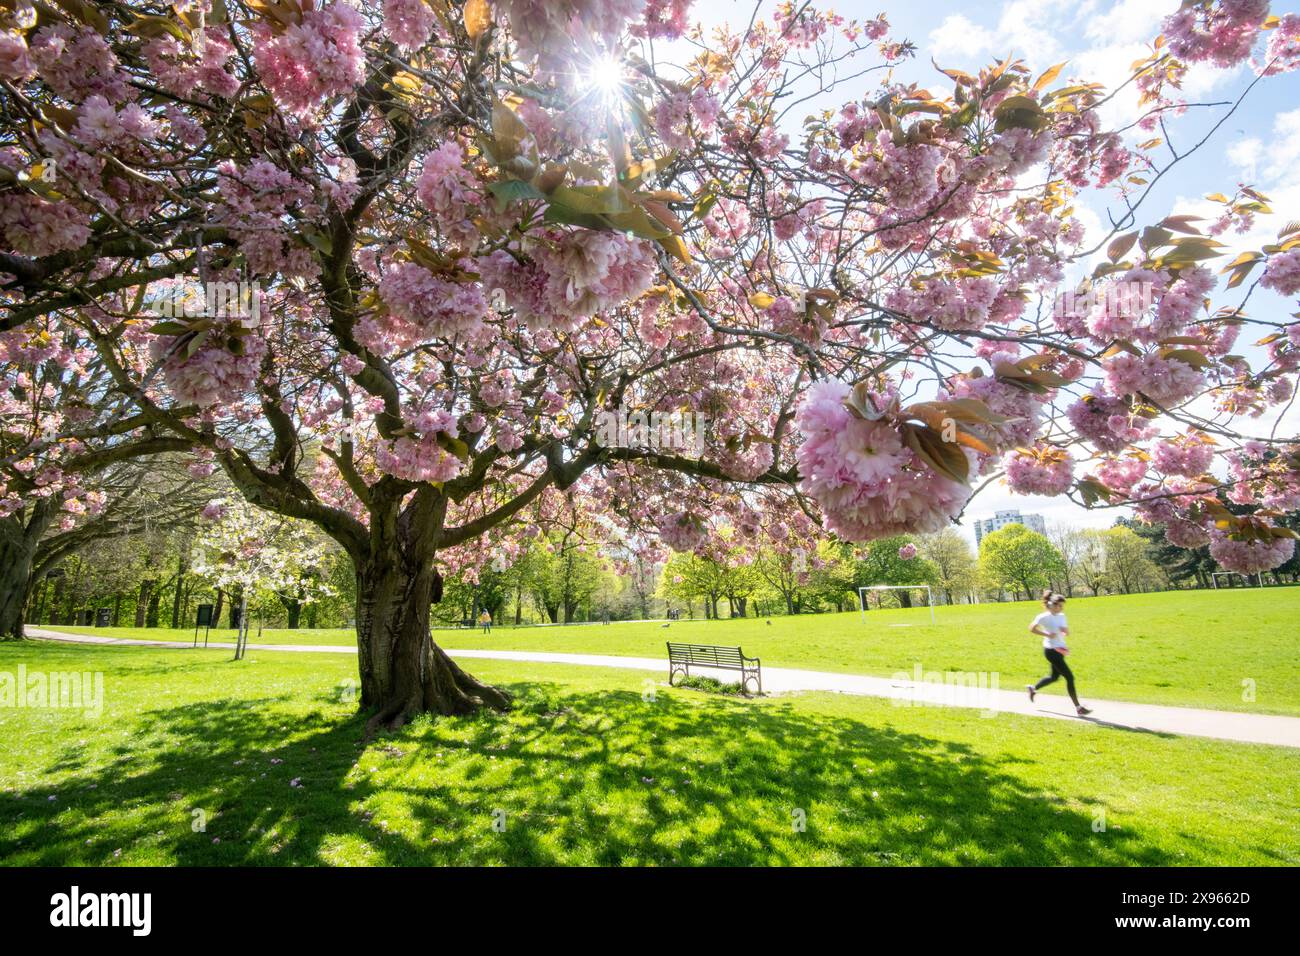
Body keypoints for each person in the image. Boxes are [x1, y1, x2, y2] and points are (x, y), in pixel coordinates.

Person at [1027, 591, 1091, 716]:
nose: (1061, 608)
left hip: (1060, 649)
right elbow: (1031, 628)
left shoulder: (1062, 616)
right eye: (1059, 606)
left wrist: (1064, 631)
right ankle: (1078, 708)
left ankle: (1033, 689)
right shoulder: (1043, 617)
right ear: (1052, 605)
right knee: (1069, 677)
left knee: (1054, 677)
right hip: (1051, 651)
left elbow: (1066, 632)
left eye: (1062, 606)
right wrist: (1047, 634)